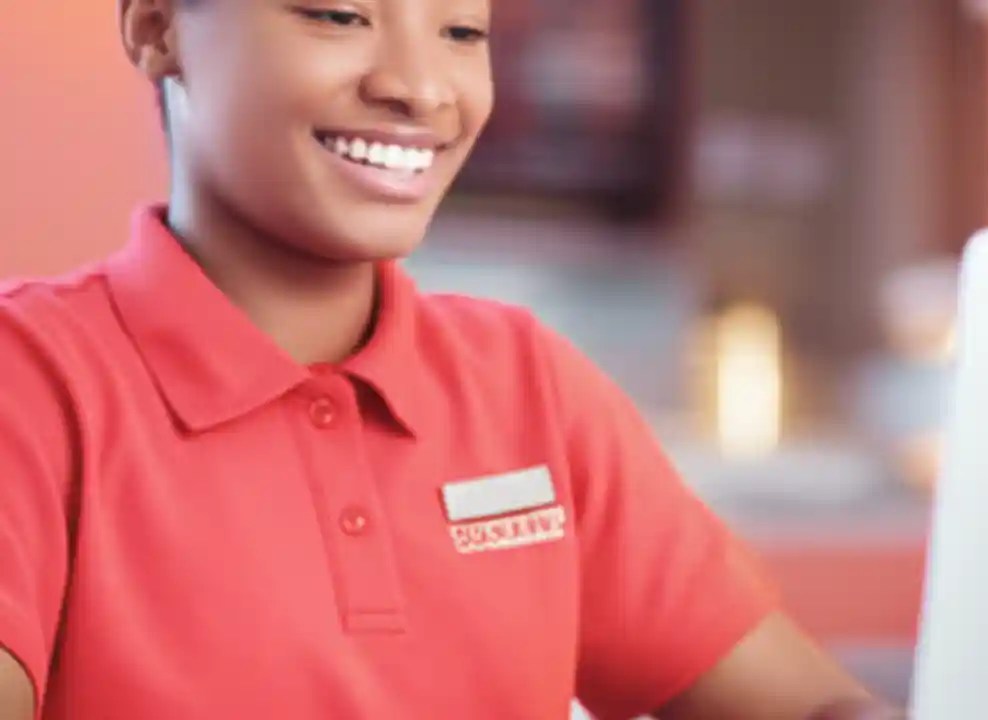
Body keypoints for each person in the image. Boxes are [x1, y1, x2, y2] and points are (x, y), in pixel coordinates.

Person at [0, 0, 896, 717]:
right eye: (337, 16)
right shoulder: (31, 381)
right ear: (157, 28)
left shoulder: (525, 382)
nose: (421, 88)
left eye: (462, 31)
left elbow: (804, 701)